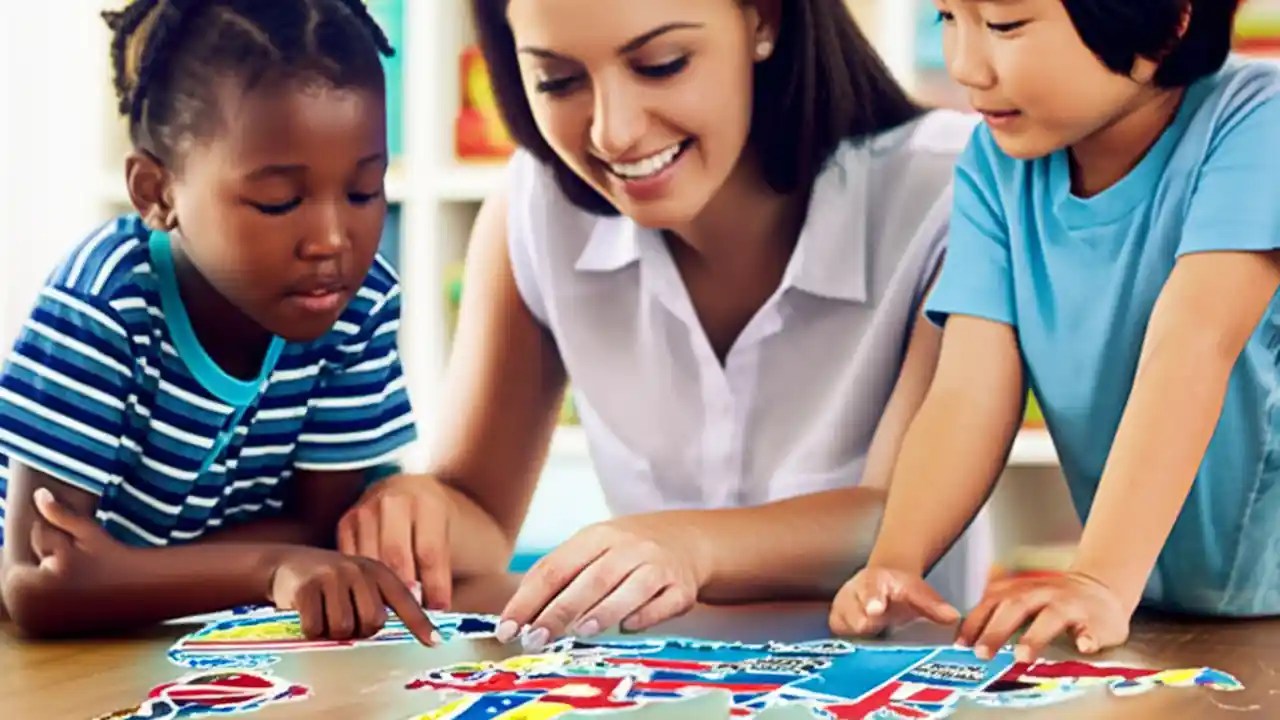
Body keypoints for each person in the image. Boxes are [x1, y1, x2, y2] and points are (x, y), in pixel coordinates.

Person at [340, 0, 985, 648]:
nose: (613, 133)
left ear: (763, 20)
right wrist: (420, 515)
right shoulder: (536, 209)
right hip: (656, 685)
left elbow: (900, 523)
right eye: (558, 81)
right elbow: (477, 519)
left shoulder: (954, 192)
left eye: (661, 64)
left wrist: (688, 545)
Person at [830, 0, 1280, 663]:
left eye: (1005, 25)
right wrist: (895, 561)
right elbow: (968, 391)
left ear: (1170, 20)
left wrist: (1098, 580)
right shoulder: (995, 165)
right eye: (946, 18)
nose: (966, 67)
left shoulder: (1260, 119)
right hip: (1167, 612)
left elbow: (1194, 344)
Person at [0, 0, 436, 644]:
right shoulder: (104, 302)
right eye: (279, 201)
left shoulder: (360, 304)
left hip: (189, 644)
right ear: (157, 193)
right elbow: (36, 584)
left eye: (363, 191)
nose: (331, 240)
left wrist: (123, 574)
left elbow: (324, 529)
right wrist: (268, 566)